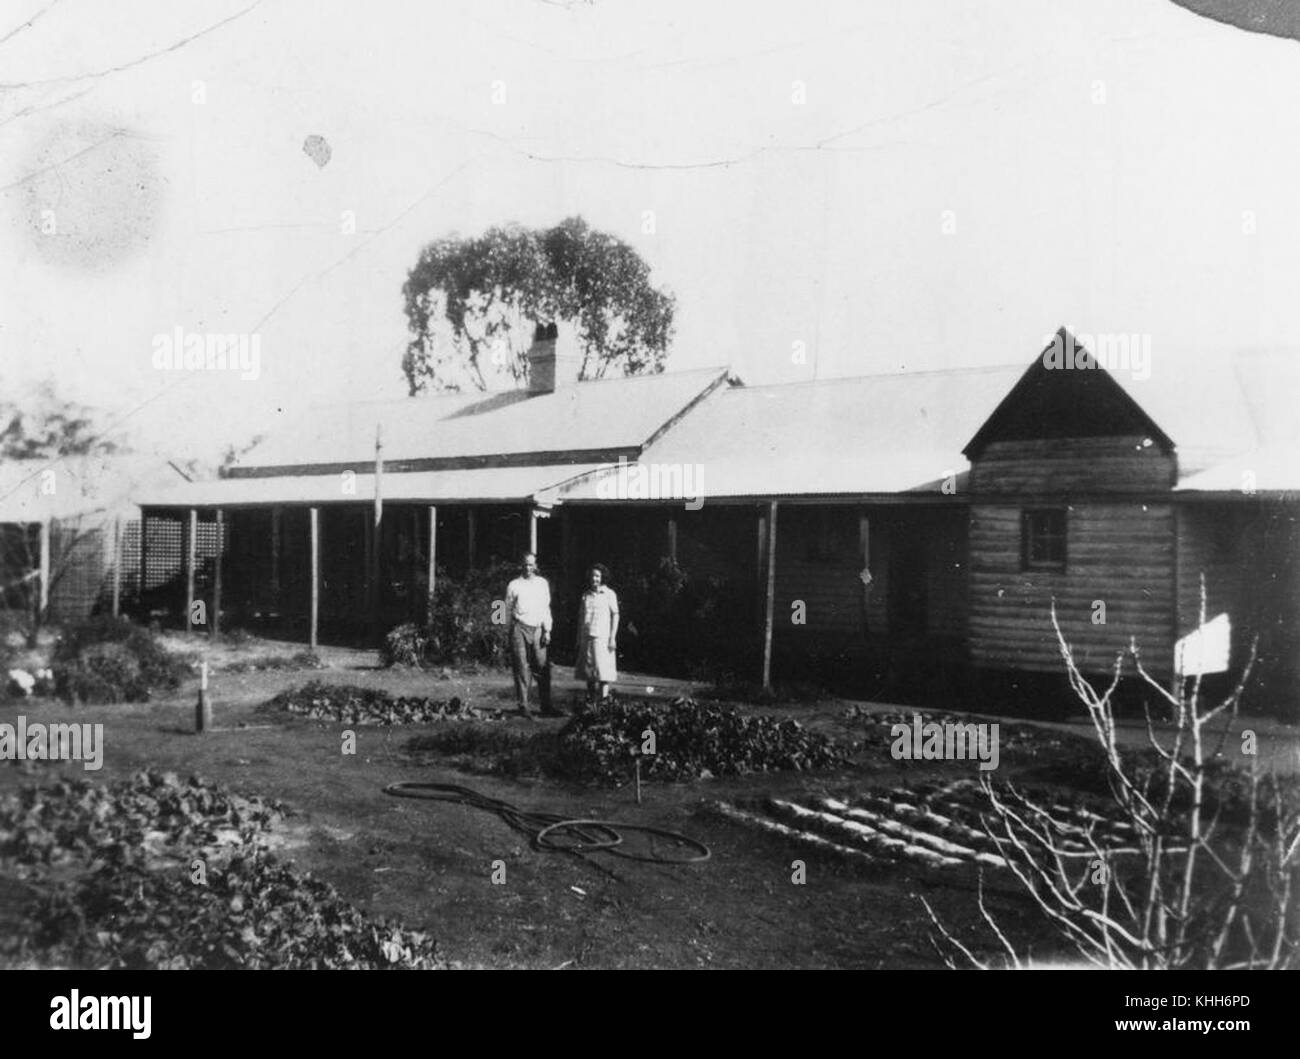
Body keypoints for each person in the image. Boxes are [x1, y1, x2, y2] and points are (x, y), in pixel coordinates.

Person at [505, 552, 556, 717]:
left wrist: (547, 630)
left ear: (535, 566)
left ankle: (546, 706)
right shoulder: (513, 584)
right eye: (525, 564)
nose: (528, 568)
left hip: (538, 629)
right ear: (521, 565)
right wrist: (503, 629)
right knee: (521, 666)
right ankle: (523, 706)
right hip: (519, 628)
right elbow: (504, 607)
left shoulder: (542, 583)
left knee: (542, 666)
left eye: (531, 564)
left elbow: (546, 608)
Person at [574, 563, 619, 707]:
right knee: (589, 673)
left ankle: (603, 704)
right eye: (593, 576)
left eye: (598, 576)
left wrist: (612, 637)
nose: (595, 579)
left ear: (603, 577)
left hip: (602, 639)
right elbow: (581, 618)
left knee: (603, 672)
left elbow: (615, 615)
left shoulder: (609, 594)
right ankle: (591, 703)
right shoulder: (586, 595)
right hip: (587, 637)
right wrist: (579, 638)